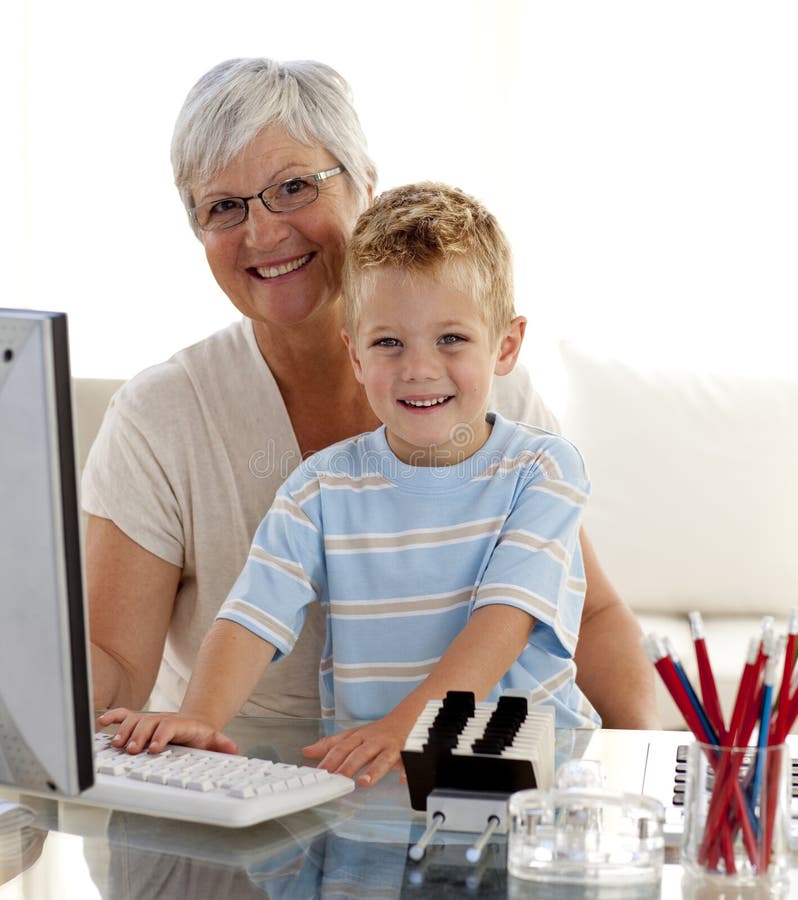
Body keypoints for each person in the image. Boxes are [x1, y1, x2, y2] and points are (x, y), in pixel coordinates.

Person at [84, 56, 660, 729]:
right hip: (263, 783)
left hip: (474, 766)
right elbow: (124, 660)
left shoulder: (494, 396)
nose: (262, 231)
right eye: (223, 206)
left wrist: (648, 771)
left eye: (294, 186)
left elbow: (578, 610)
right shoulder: (178, 423)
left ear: (366, 187)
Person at [100, 182, 601, 786]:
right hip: (374, 776)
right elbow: (252, 615)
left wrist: (406, 727)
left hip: (529, 785)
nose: (418, 368)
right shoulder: (320, 488)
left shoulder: (543, 470)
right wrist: (199, 716)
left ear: (506, 344)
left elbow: (504, 622)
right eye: (388, 342)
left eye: (451, 339)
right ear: (356, 356)